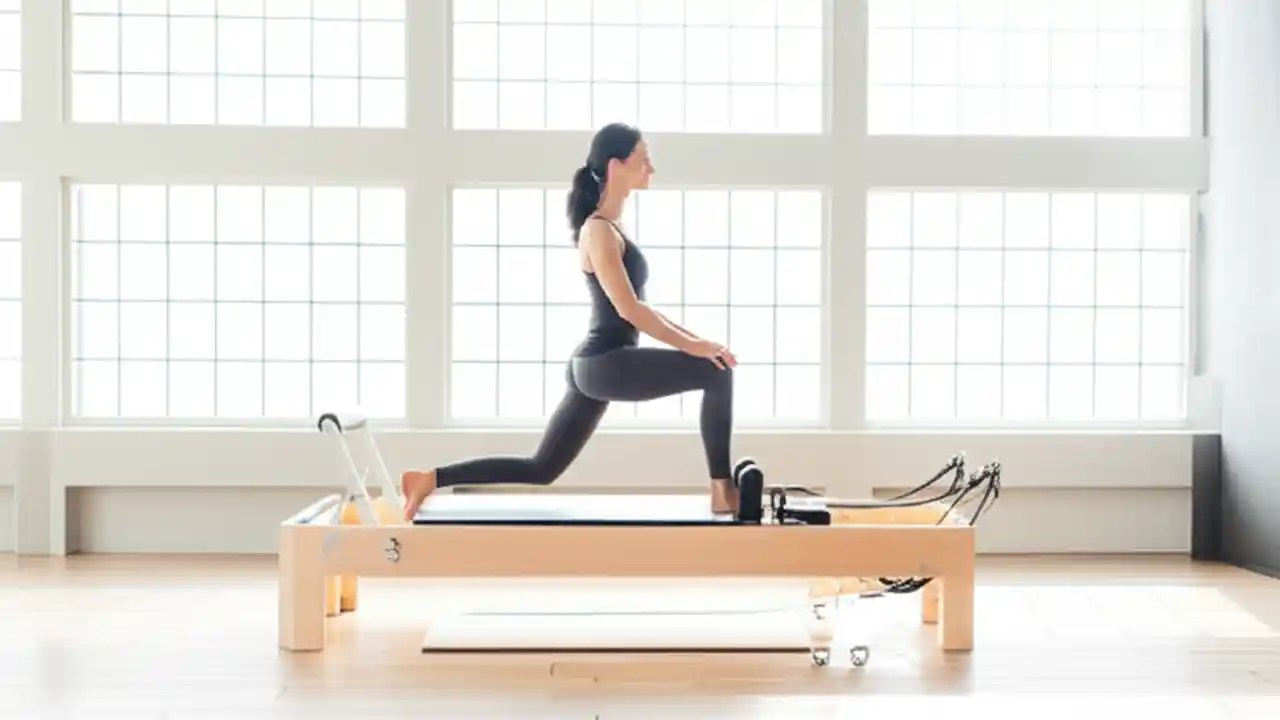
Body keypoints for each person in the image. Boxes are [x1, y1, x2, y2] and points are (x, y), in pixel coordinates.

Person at [400, 122, 739, 520]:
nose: (651, 169)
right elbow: (630, 310)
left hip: (595, 365)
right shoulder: (597, 231)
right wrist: (698, 349)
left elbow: (645, 308)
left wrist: (701, 343)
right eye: (644, 160)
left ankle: (427, 479)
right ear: (617, 166)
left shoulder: (609, 229)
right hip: (606, 362)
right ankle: (723, 492)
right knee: (716, 374)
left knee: (542, 468)